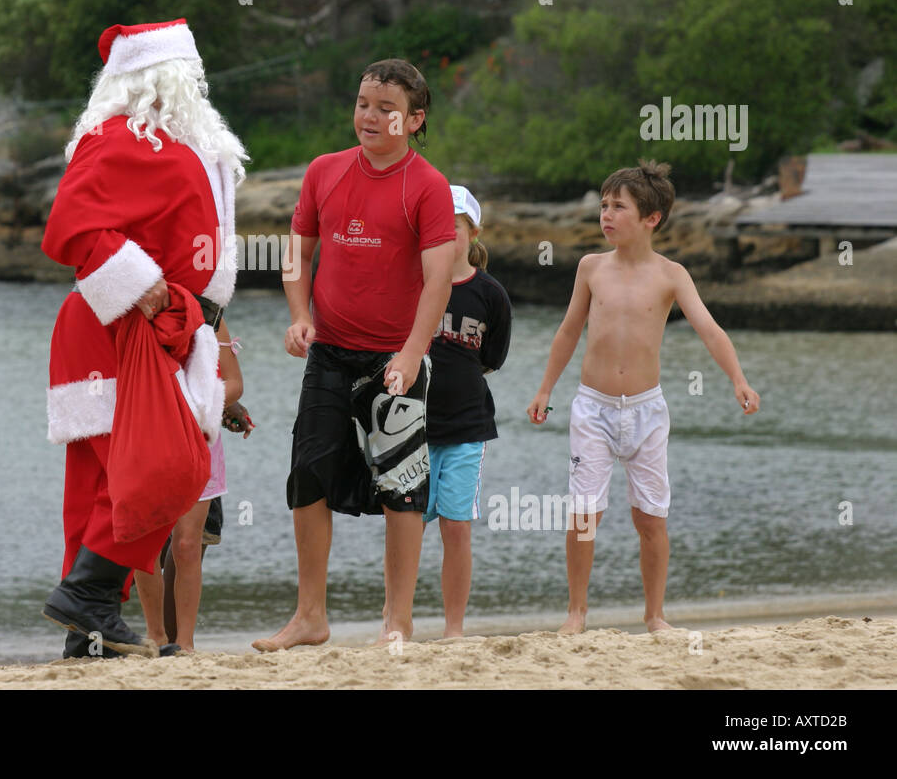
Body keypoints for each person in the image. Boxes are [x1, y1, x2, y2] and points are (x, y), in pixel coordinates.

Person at [41, 19, 247, 658]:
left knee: (106, 481)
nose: (196, 85)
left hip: (149, 328)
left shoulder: (168, 139)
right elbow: (70, 229)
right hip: (121, 328)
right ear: (165, 75)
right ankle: (89, 596)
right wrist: (140, 281)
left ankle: (87, 633)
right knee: (163, 468)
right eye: (189, 74)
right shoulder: (127, 138)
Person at [253, 59, 455, 652]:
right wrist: (299, 316)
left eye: (386, 108)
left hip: (396, 358)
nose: (370, 116)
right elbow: (298, 254)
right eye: (364, 102)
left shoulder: (428, 186)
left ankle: (397, 621)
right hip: (330, 355)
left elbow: (439, 280)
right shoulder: (325, 171)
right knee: (307, 475)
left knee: (401, 487)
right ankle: (310, 616)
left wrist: (414, 353)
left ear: (415, 120)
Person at [525, 160, 760, 634]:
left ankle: (654, 615)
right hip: (592, 407)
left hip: (647, 411)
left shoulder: (672, 275)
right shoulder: (591, 268)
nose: (606, 215)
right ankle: (577, 613)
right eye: (604, 206)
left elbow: (710, 331)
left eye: (619, 207)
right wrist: (545, 387)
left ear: (651, 218)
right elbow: (569, 331)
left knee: (650, 517)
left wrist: (738, 378)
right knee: (584, 512)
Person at [422, 186, 511, 638]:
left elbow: (491, 359)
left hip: (465, 429)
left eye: (453, 227)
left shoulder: (490, 294)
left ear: (472, 232)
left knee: (456, 528)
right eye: (436, 226)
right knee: (405, 528)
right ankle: (394, 620)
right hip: (410, 430)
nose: (444, 234)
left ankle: (453, 628)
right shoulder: (413, 281)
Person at [134, 318, 252, 655]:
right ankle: (155, 636)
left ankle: (184, 643)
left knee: (187, 545)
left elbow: (233, 381)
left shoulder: (211, 316)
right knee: (144, 544)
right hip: (146, 434)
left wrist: (204, 404)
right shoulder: (140, 311)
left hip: (198, 438)